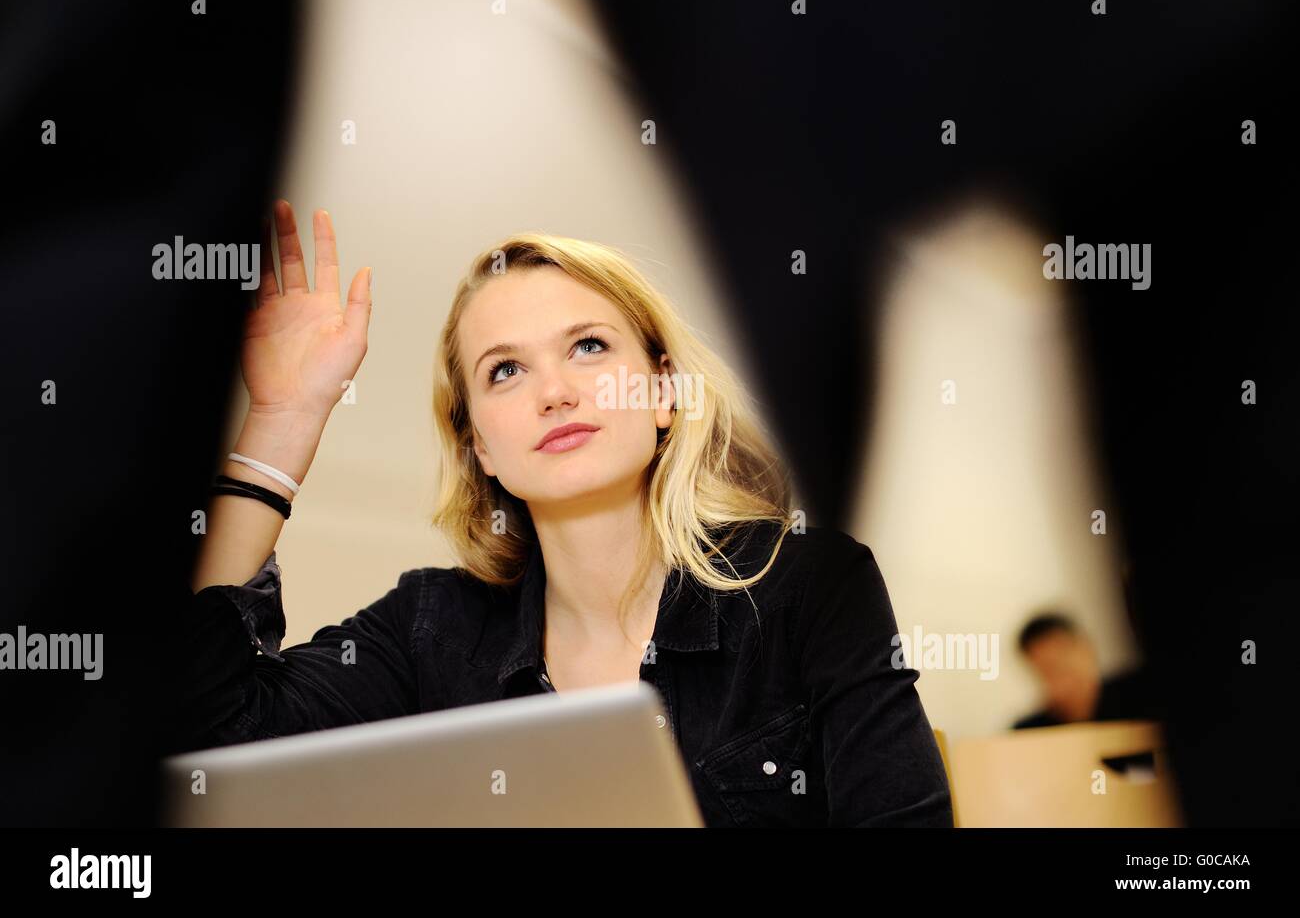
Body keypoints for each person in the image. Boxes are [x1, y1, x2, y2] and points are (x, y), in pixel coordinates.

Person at [174, 200, 953, 827]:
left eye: (588, 347)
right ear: (479, 442)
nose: (555, 391)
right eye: (505, 370)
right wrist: (281, 421)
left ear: (662, 391)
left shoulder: (810, 587)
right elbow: (210, 730)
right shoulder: (429, 628)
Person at [1012, 613, 1156, 730]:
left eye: (1065, 664)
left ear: (1087, 649)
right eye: (1049, 671)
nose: (1064, 680)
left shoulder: (1143, 693)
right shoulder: (1030, 732)